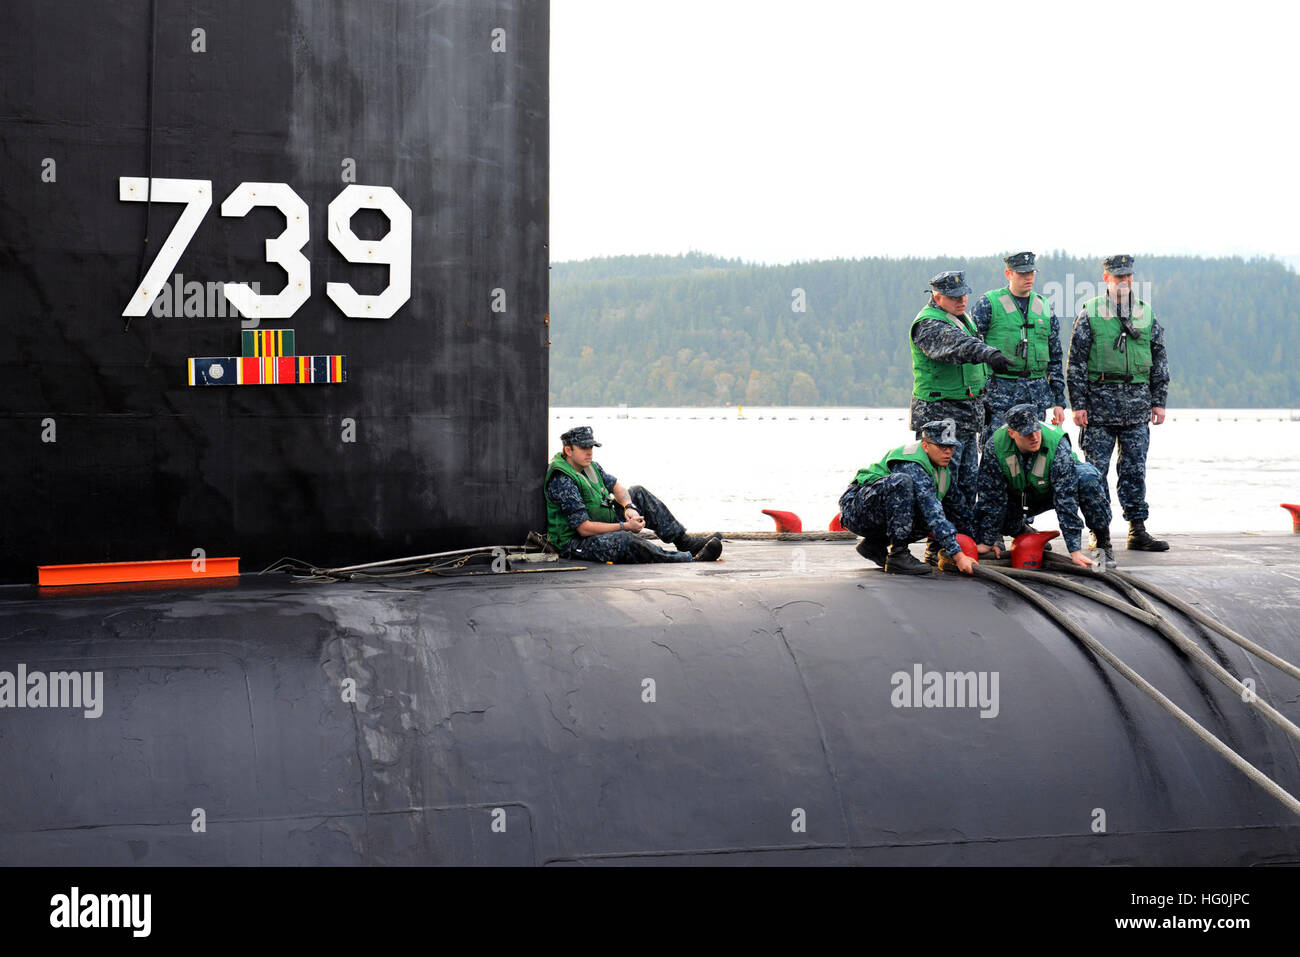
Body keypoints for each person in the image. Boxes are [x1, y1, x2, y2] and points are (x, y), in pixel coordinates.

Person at [1067, 255, 1170, 552]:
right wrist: (1079, 404)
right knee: (1095, 472)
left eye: (1127, 277)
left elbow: (1159, 358)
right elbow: (1075, 362)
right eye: (1117, 277)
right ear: (1106, 280)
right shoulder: (1091, 313)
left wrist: (1158, 401)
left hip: (1137, 405)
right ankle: (1100, 532)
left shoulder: (1145, 313)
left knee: (1135, 470)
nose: (1123, 282)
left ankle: (1137, 529)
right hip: (1099, 407)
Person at [910, 269, 1014, 562]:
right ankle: (936, 545)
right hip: (940, 416)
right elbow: (957, 346)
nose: (962, 300)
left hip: (967, 414)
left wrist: (985, 401)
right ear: (937, 296)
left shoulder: (963, 318)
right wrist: (989, 353)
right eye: (955, 296)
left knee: (967, 484)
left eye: (964, 294)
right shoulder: (929, 324)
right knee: (943, 484)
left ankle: (962, 542)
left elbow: (972, 370)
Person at [544, 425, 722, 563]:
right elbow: (584, 528)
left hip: (603, 523)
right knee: (624, 540)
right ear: (568, 450)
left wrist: (629, 508)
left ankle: (685, 542)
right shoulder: (563, 479)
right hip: (576, 543)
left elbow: (617, 487)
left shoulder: (591, 466)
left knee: (638, 492)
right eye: (583, 447)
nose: (589, 451)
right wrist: (625, 526)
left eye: (591, 446)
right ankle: (687, 558)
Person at [975, 404, 1112, 566]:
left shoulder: (1057, 445)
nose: (1034, 437)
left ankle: (1102, 541)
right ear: (1011, 433)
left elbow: (1066, 500)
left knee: (1087, 478)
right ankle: (1023, 532)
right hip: (1020, 495)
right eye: (1027, 434)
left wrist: (1074, 550)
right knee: (981, 512)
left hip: (1051, 491)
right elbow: (991, 499)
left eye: (1036, 430)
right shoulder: (995, 447)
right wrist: (987, 541)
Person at [839, 418, 978, 576]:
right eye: (941, 446)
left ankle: (874, 545)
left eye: (951, 447)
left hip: (878, 513)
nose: (948, 452)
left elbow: (959, 510)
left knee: (935, 512)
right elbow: (932, 510)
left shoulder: (942, 471)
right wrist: (959, 556)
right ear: (925, 445)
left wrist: (979, 541)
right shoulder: (911, 463)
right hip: (858, 511)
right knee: (903, 484)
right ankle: (899, 555)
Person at [971, 251, 1067, 446]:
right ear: (1009, 274)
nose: (1028, 278)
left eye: (1031, 273)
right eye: (1022, 273)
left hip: (1036, 395)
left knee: (1035, 450)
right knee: (995, 449)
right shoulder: (989, 303)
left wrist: (1059, 401)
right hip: (1000, 395)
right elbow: (972, 348)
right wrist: (980, 393)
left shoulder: (1044, 306)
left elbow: (1055, 357)